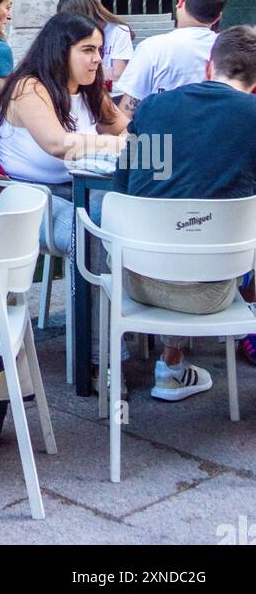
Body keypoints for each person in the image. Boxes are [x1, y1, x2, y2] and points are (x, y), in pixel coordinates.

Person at [112, 25, 256, 399]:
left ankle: (170, 367)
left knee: (181, 226)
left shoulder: (155, 107)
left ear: (210, 66)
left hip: (137, 282)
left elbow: (124, 187)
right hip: (213, 292)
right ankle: (175, 365)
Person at [0, 13, 128, 254]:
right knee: (88, 236)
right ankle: (93, 293)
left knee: (125, 215)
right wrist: (114, 143)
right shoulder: (29, 87)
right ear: (60, 52)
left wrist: (131, 141)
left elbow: (127, 130)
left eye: (99, 50)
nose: (97, 59)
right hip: (27, 195)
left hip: (78, 188)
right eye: (87, 50)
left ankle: (121, 291)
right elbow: (57, 143)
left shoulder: (90, 91)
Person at [116, 0, 227, 117]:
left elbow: (127, 112)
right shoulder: (229, 52)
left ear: (181, 1)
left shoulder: (151, 48)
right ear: (218, 17)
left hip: (161, 136)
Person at [56, 0, 133, 87]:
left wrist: (85, 70)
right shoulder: (73, 33)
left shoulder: (119, 31)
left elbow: (118, 73)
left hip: (112, 93)